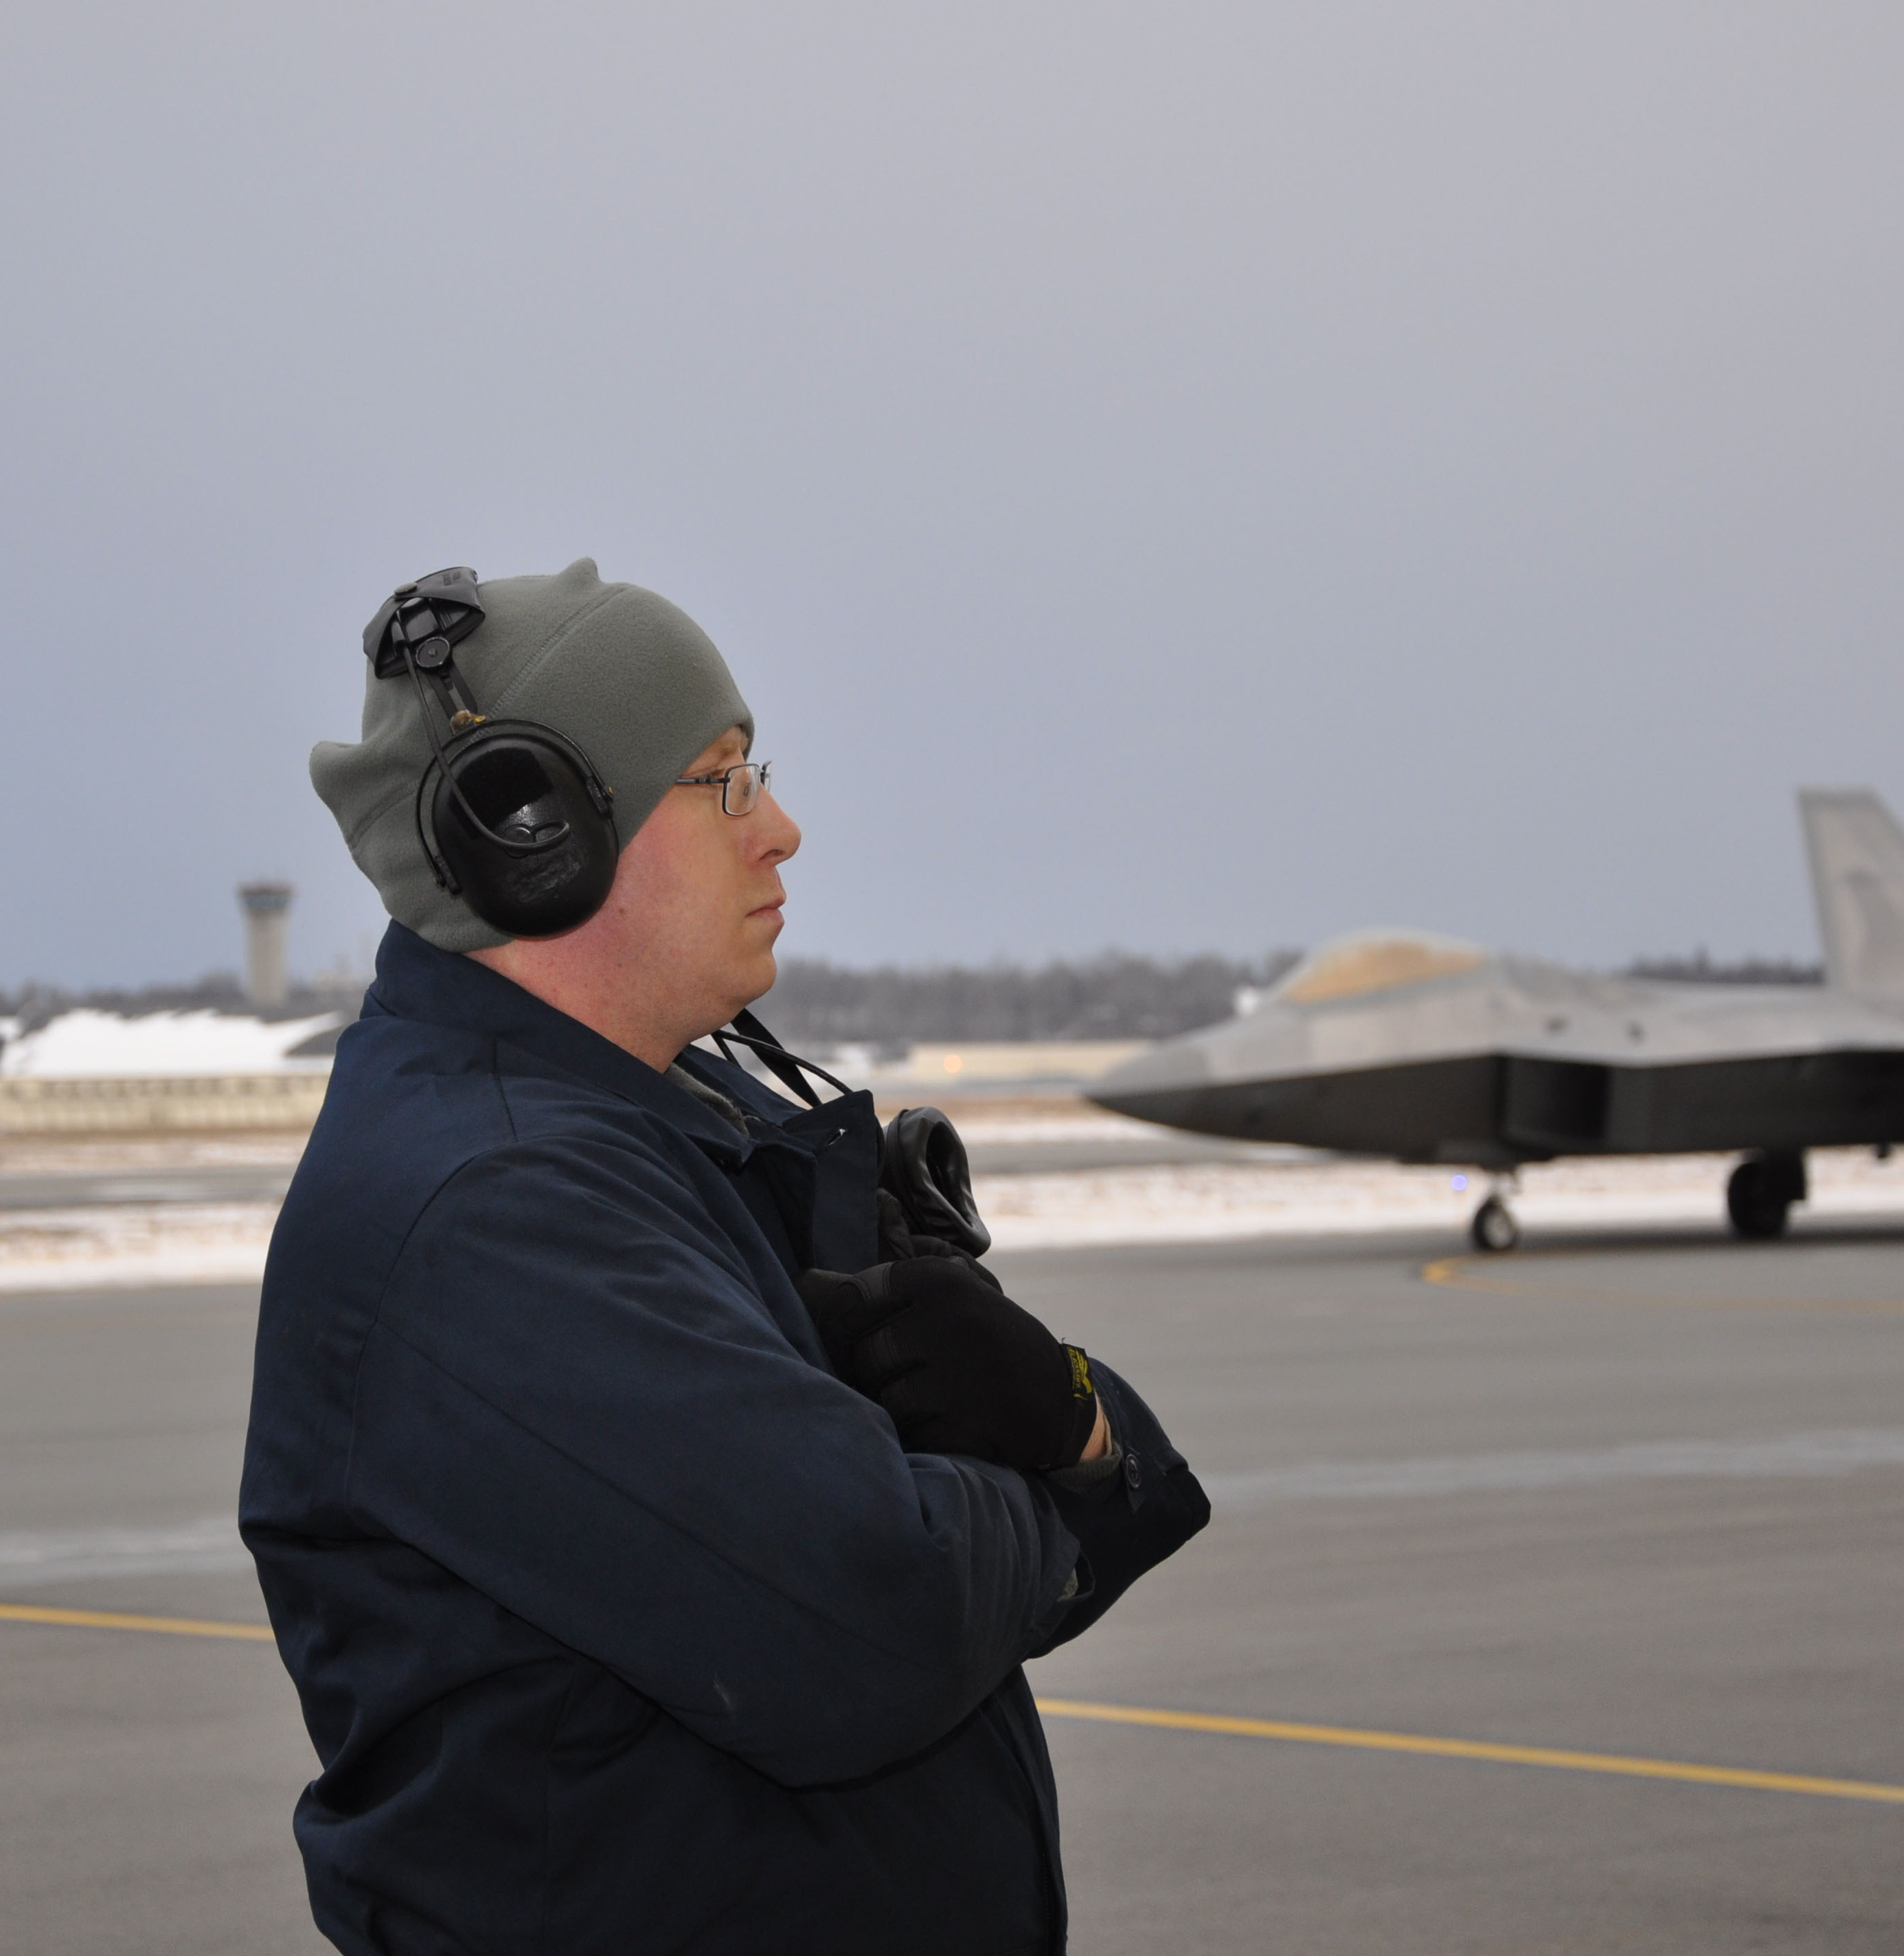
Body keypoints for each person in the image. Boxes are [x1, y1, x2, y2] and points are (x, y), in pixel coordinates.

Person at [241, 559, 1209, 1955]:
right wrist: (1049, 1454)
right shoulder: (496, 1211)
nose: (783, 831)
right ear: (540, 836)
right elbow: (879, 1625)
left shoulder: (683, 1127)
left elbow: (1043, 1534)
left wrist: (1069, 1427)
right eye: (725, 781)